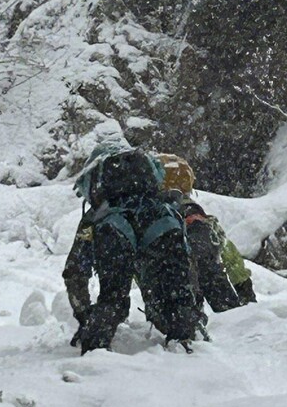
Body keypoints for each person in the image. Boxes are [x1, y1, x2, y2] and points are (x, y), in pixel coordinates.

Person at [63, 146, 204, 354]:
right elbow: (186, 265)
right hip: (161, 222)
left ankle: (95, 354)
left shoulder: (99, 212)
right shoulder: (159, 201)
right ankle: (186, 343)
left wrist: (85, 317)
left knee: (113, 298)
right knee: (176, 297)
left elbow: (75, 270)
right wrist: (192, 308)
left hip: (113, 228)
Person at [157, 154, 256, 309]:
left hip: (170, 284)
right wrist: (245, 291)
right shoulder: (199, 217)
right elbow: (230, 255)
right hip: (209, 273)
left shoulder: (152, 216)